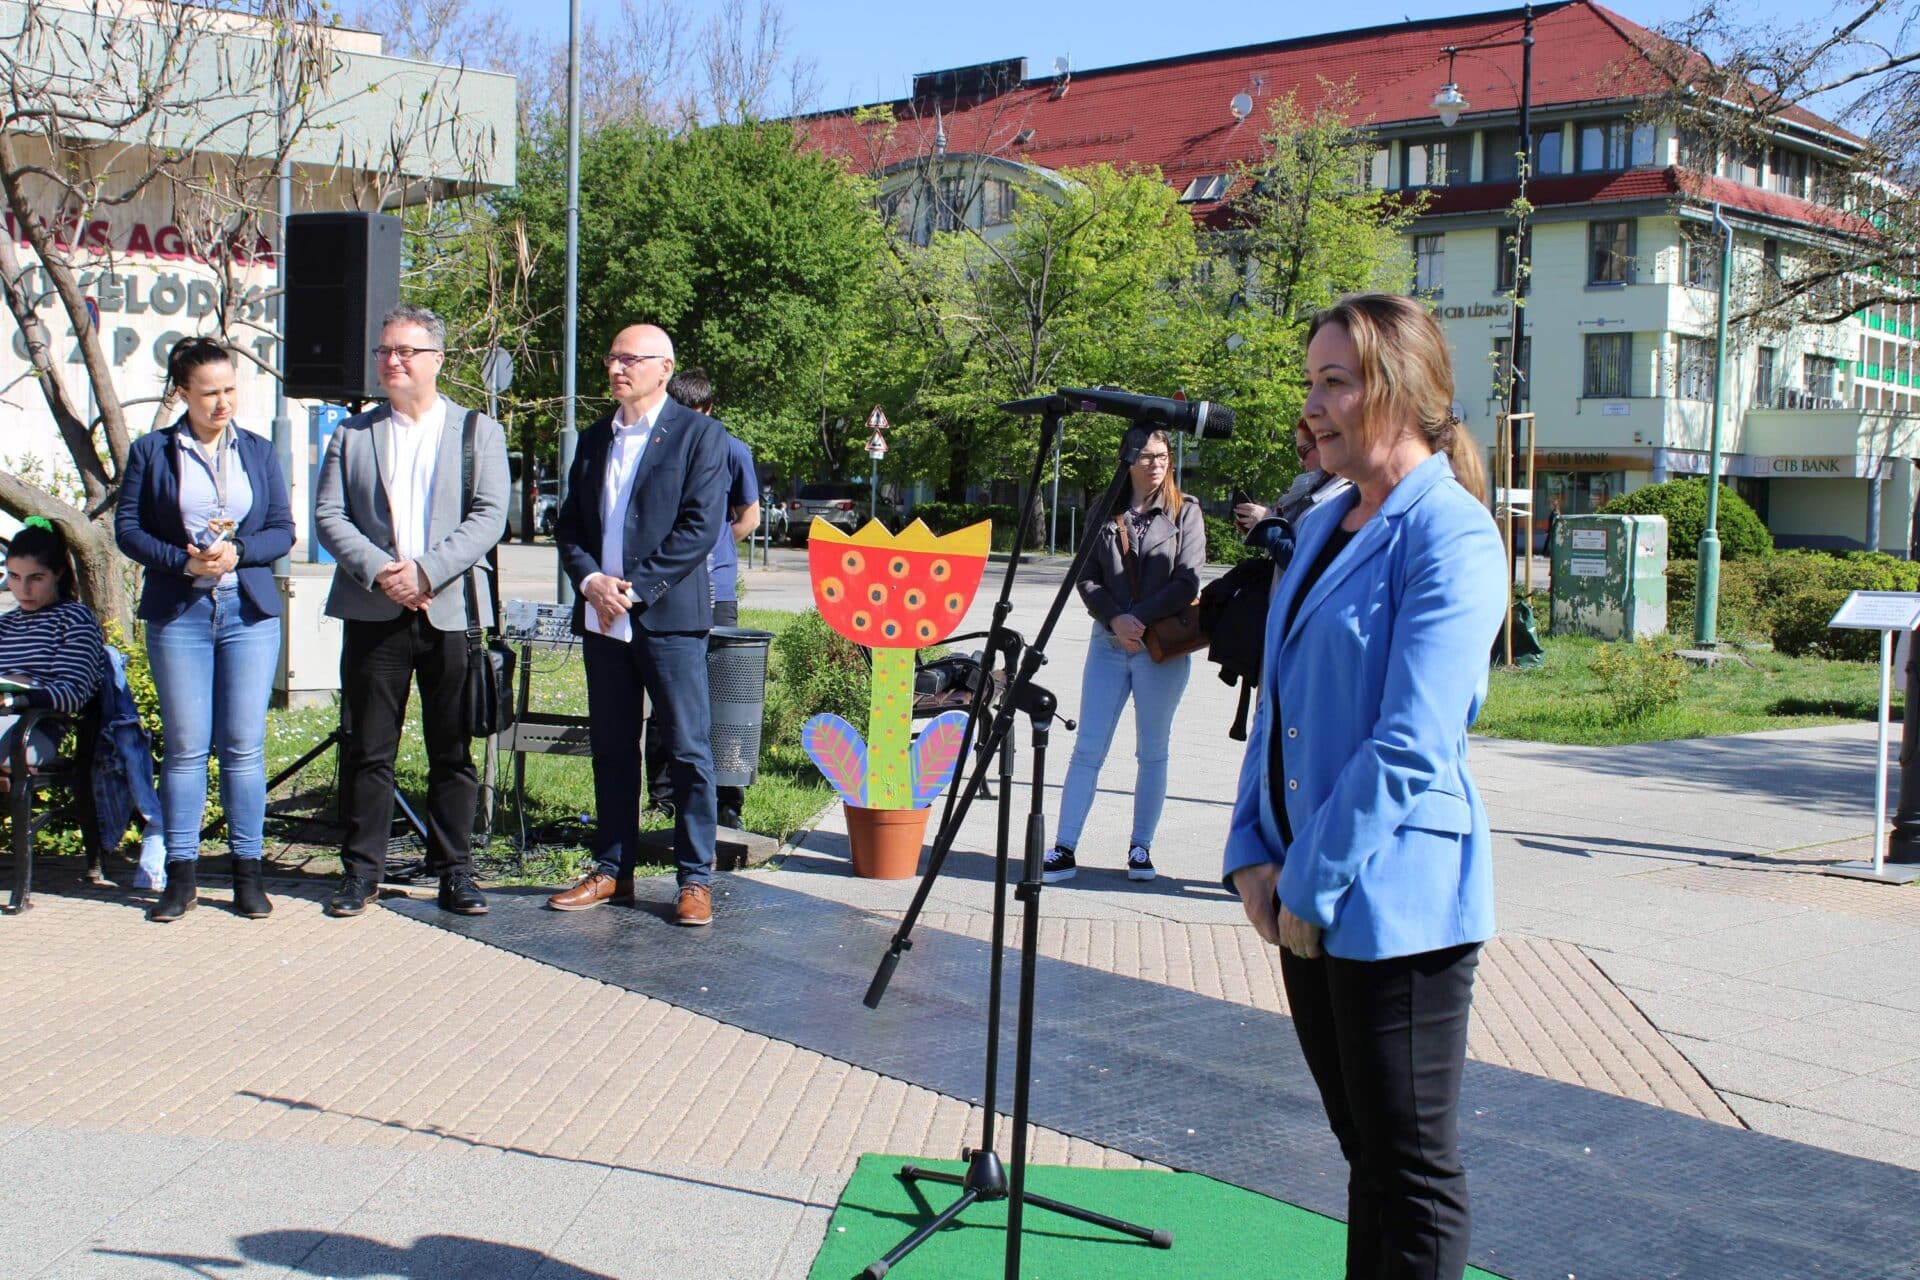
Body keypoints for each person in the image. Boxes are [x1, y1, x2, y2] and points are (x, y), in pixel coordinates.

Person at [1223, 293, 1505, 1280]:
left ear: (1401, 390)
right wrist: (1250, 850)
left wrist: (1306, 876)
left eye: (1335, 381)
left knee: (1411, 1175)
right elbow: (1279, 708)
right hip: (1304, 892)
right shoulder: (1320, 523)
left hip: (1399, 908)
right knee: (1366, 1164)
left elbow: (1412, 741)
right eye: (1313, 381)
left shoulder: (1452, 535)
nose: (1315, 403)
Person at [313, 303, 508, 919]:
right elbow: (328, 515)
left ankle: (455, 872)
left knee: (451, 750)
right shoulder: (353, 433)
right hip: (374, 613)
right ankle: (360, 873)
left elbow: (488, 516)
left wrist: (425, 572)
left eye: (404, 351)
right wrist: (384, 573)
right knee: (369, 748)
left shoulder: (478, 431)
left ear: (436, 360)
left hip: (449, 613)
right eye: (383, 351)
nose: (391, 361)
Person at [547, 325, 729, 925]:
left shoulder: (700, 435)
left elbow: (700, 526)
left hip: (667, 619)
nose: (617, 367)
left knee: (687, 750)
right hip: (604, 618)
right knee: (612, 748)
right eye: (612, 356)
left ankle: (694, 879)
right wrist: (590, 581)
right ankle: (613, 872)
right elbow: (569, 523)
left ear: (664, 367)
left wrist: (636, 587)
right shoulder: (596, 437)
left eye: (632, 358)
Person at [116, 337, 297, 923]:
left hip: (246, 614)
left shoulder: (260, 451)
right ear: (182, 394)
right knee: (188, 749)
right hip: (180, 614)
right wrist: (183, 561)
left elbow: (281, 530)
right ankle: (182, 875)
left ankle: (248, 873)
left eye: (229, 389)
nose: (223, 403)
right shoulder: (152, 451)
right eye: (208, 392)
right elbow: (129, 530)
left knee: (244, 747)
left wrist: (238, 550)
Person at [1045, 429, 1205, 885]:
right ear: (1128, 459)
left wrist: (1139, 619)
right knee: (1087, 749)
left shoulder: (1185, 512)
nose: (1157, 464)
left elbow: (1187, 581)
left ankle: (1140, 848)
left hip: (1160, 649)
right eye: (1147, 456)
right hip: (1109, 645)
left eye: (1164, 456)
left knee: (1152, 752)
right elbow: (1086, 576)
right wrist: (1116, 619)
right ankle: (1064, 847)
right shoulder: (1104, 511)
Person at [646, 367, 759, 830]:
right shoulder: (655, 445)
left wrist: (715, 546)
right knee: (666, 696)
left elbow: (748, 515)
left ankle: (726, 798)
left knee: (722, 696)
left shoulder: (731, 449)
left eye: (695, 414)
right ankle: (663, 796)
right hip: (665, 590)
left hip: (715, 591)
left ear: (710, 411)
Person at [0, 519, 105, 782]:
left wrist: (17, 697)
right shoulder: (5, 623)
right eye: (14, 576)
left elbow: (72, 694)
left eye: (35, 578)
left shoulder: (74, 619)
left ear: (57, 573)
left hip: (34, 729)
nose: (23, 590)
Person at [1233, 419, 1353, 542]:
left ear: (1323, 444)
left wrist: (1268, 523)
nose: (1301, 461)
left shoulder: (1339, 496)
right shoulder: (1315, 490)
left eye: (1302, 451)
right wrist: (1260, 529)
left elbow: (1299, 556)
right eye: (1298, 453)